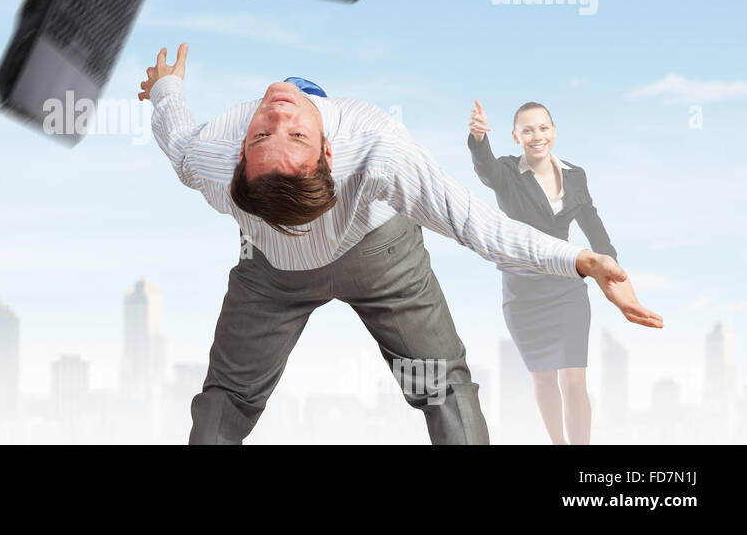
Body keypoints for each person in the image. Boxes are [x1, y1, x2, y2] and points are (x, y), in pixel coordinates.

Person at [137, 43, 662, 445]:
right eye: (272, 137)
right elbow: (474, 223)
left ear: (328, 153)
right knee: (443, 387)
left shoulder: (209, 154)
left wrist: (166, 88)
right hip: (344, 262)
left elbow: (174, 132)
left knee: (229, 395)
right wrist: (577, 259)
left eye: (283, 135)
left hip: (312, 261)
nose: (277, 115)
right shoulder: (375, 144)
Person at [467, 99, 614, 444]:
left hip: (566, 286)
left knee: (574, 380)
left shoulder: (575, 175)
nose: (537, 136)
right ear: (516, 136)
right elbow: (485, 167)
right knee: (544, 380)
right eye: (528, 130)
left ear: (554, 131)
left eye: (543, 128)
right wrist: (477, 138)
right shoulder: (506, 172)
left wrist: (611, 265)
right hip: (524, 292)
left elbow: (592, 223)